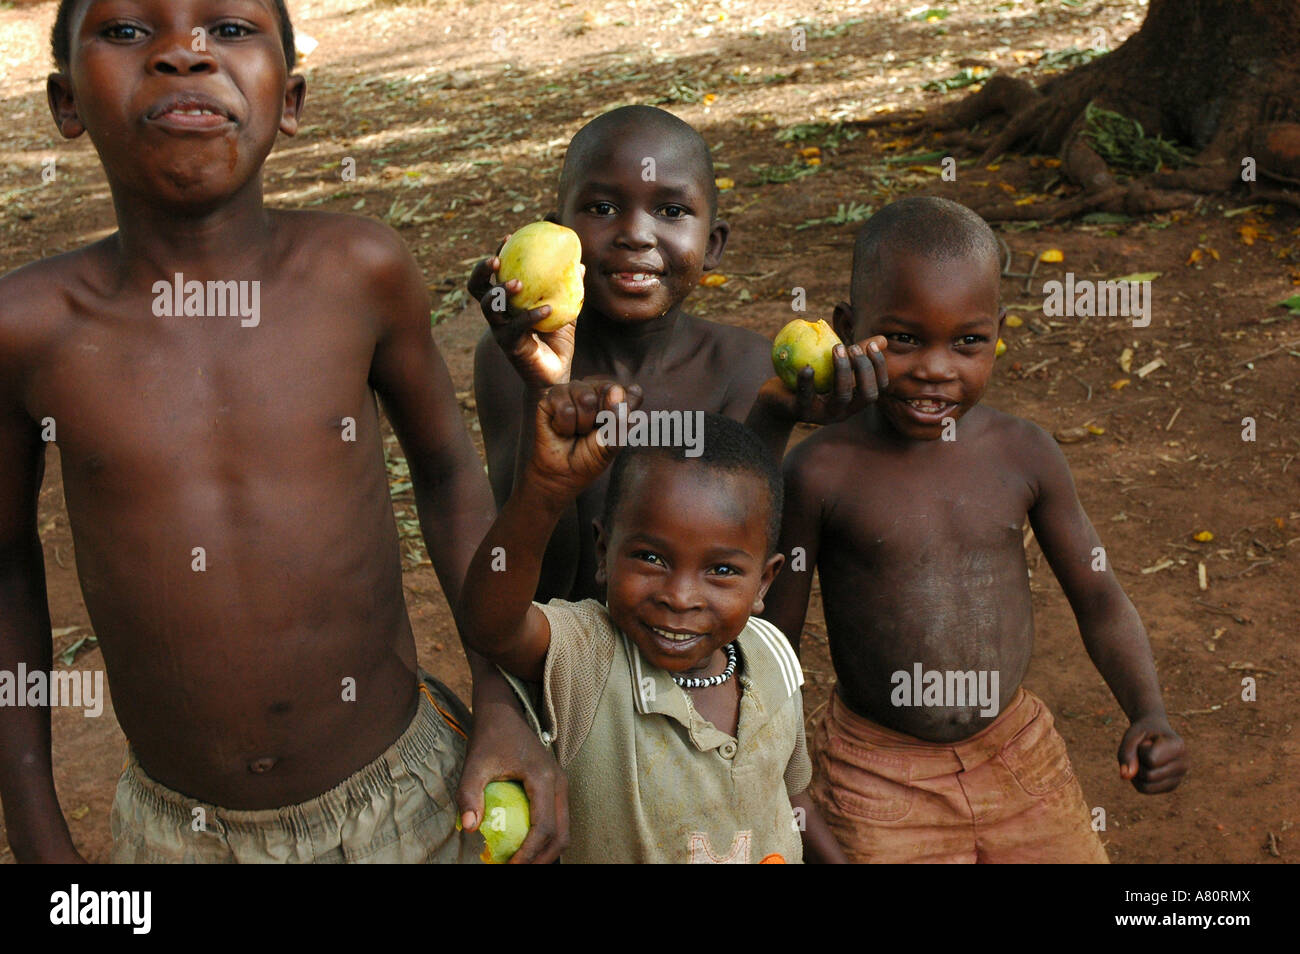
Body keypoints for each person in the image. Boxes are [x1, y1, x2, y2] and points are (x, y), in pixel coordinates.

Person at [0, 0, 565, 863]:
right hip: (177, 837)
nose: (183, 55)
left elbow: (449, 474)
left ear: (291, 98)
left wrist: (502, 703)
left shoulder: (360, 272)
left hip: (408, 800)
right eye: (124, 31)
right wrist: (39, 838)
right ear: (65, 103)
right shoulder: (27, 327)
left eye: (227, 29)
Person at [763, 196, 1188, 863]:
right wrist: (781, 783)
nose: (936, 368)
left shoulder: (1025, 453)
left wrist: (1148, 711)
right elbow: (773, 648)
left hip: (1018, 755)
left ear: (998, 332)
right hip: (878, 774)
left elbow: (1100, 597)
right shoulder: (820, 471)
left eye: (968, 342)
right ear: (848, 328)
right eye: (903, 339)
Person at [458, 385, 846, 862]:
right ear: (604, 553)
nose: (680, 597)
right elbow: (491, 627)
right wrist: (543, 491)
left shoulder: (774, 657)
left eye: (721, 570)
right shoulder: (589, 657)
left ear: (764, 582)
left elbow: (790, 798)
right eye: (650, 558)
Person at [471, 105, 792, 602]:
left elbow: (738, 583)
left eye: (671, 211)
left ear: (713, 244)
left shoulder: (744, 367)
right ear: (559, 235)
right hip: (560, 660)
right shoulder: (511, 361)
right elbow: (543, 583)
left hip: (694, 665)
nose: (636, 234)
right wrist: (545, 391)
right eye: (601, 208)